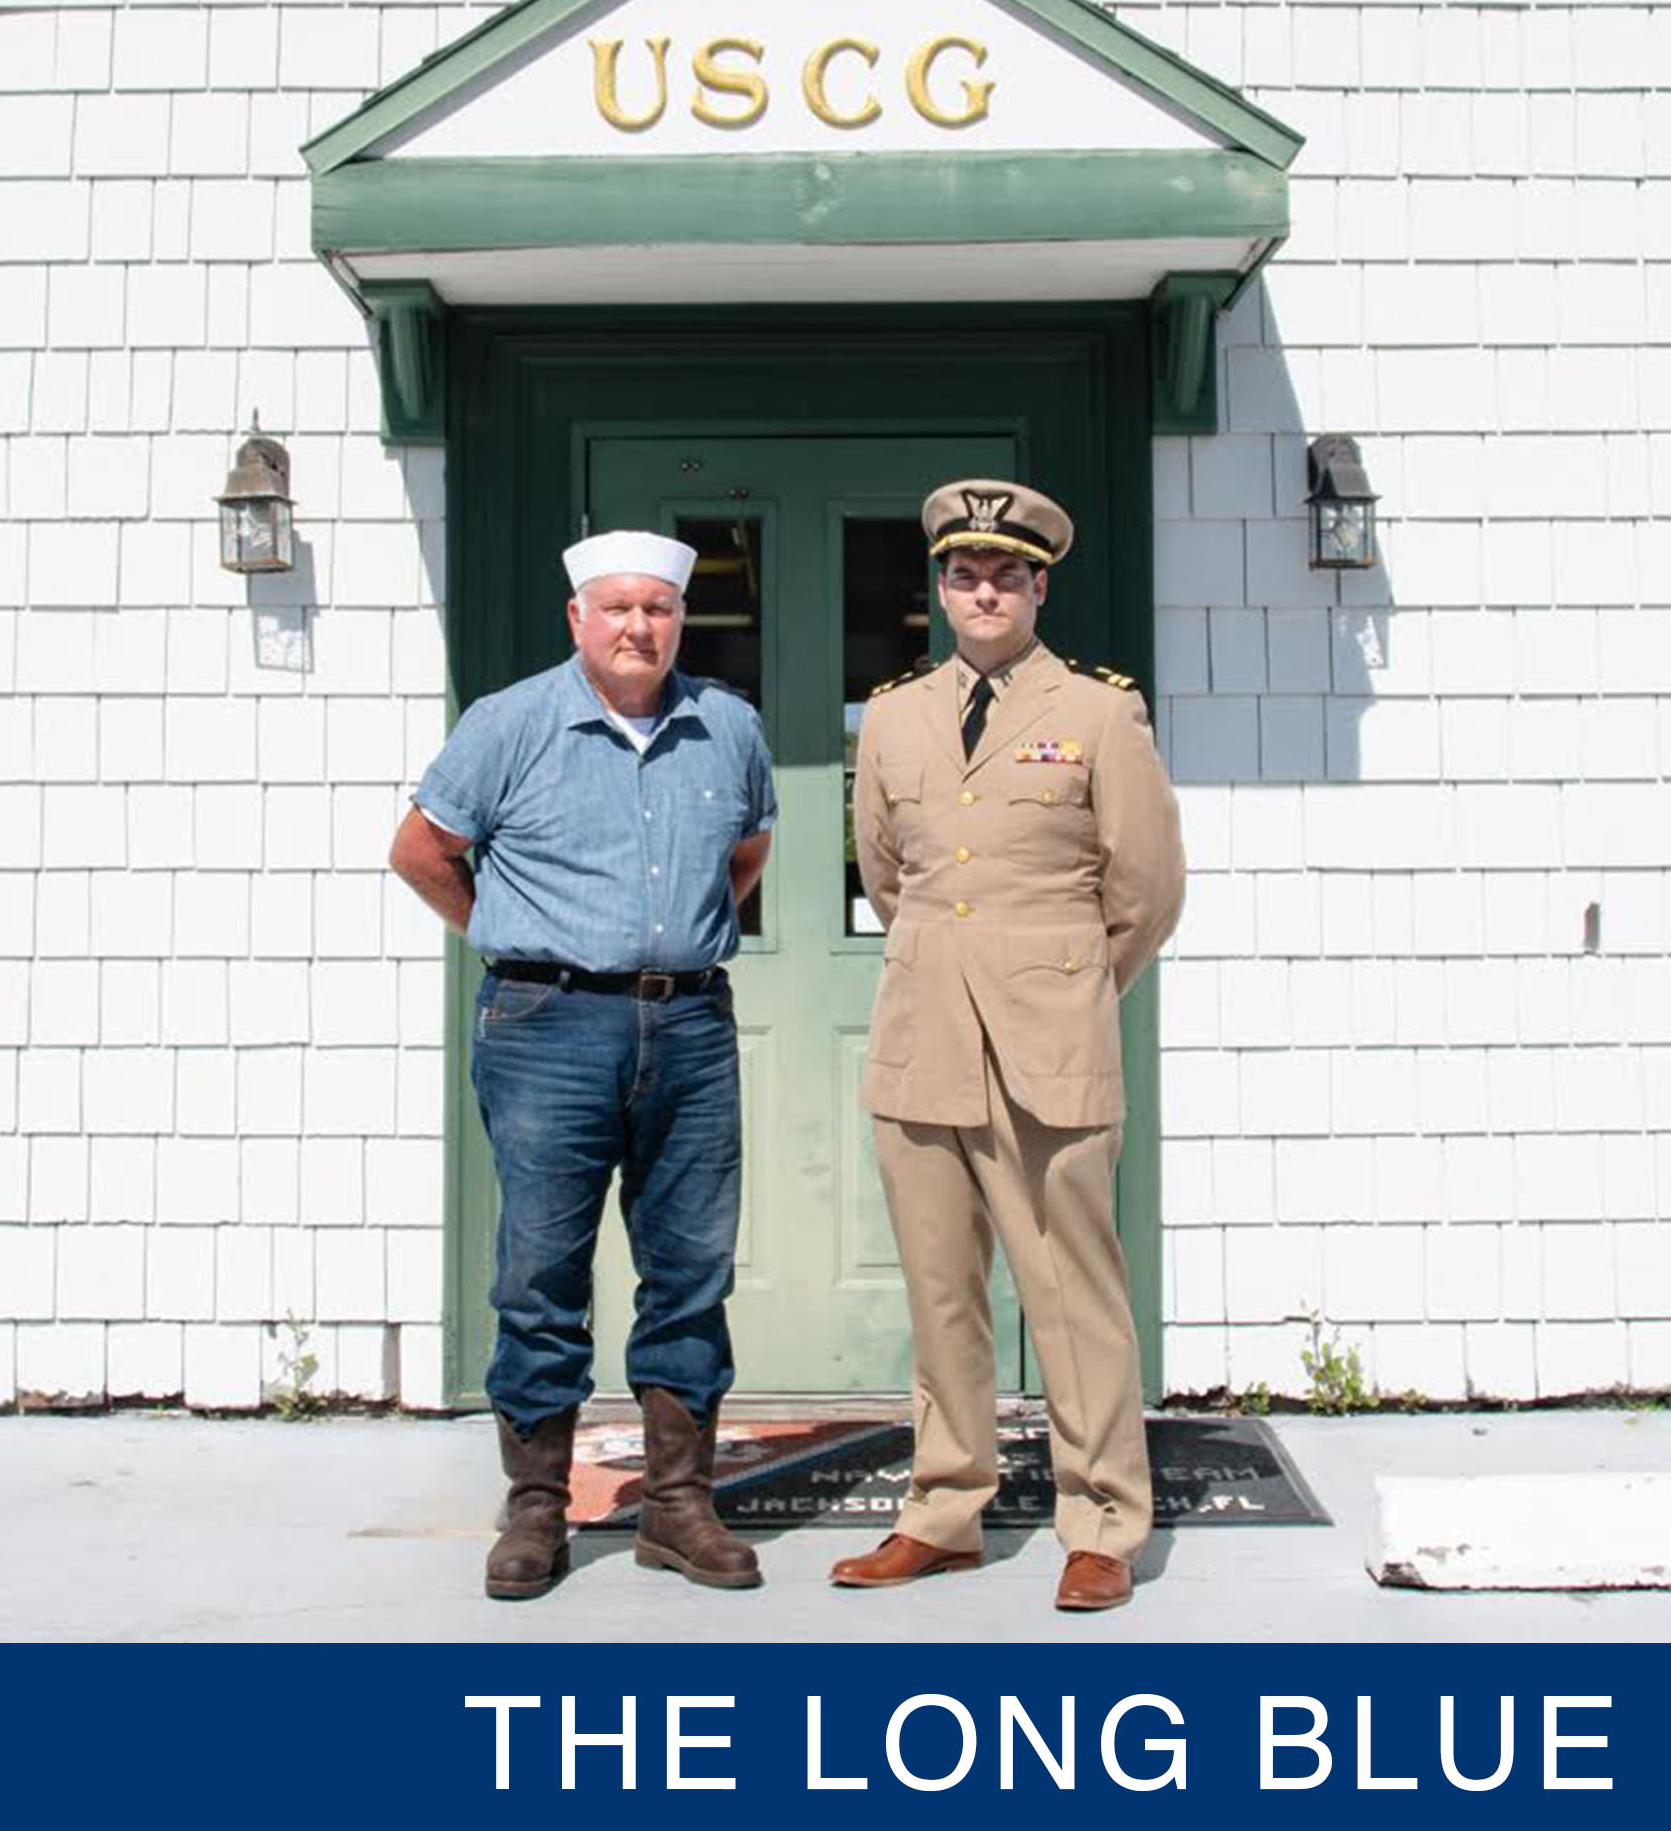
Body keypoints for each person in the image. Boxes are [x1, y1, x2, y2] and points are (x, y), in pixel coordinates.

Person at [386, 529, 776, 1602]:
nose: (638, 627)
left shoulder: (727, 727)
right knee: (541, 1270)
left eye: (657, 608)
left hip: (690, 1029)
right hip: (546, 1024)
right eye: (617, 609)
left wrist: (669, 940)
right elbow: (422, 848)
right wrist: (509, 932)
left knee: (692, 1267)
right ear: (577, 618)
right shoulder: (507, 724)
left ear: (679, 620)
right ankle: (537, 1504)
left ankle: (677, 1504)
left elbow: (747, 852)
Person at [831, 479, 1186, 1613]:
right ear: (939, 587)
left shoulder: (1099, 712)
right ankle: (944, 1509)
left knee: (1072, 1291)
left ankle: (1102, 1519)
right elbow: (890, 876)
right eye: (962, 574)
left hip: (1050, 1041)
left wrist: (1068, 983)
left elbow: (1146, 890)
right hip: (922, 1031)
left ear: (1041, 585)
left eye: (1005, 574)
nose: (982, 592)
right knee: (941, 1293)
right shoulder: (890, 715)